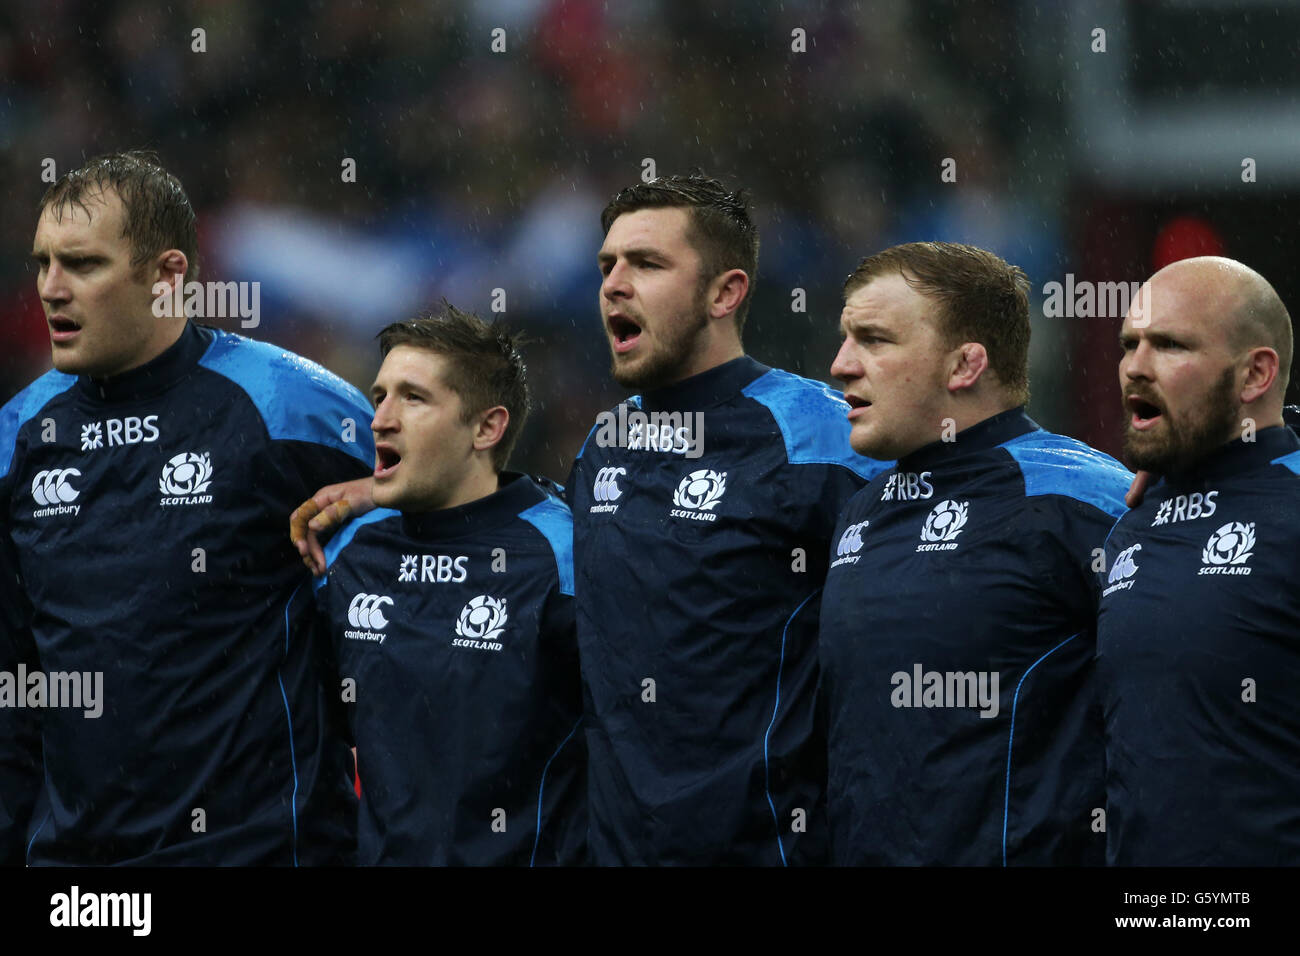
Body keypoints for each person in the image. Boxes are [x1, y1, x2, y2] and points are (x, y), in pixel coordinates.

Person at [293, 174, 887, 865]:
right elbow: (539, 537)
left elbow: (914, 613)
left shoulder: (822, 439)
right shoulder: (608, 442)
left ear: (725, 293)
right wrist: (407, 488)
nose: (614, 283)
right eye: (607, 264)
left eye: (648, 264)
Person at [0, 151, 372, 865]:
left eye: (82, 264)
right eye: (41, 262)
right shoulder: (19, 439)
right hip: (83, 885)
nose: (50, 289)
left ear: (168, 277)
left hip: (263, 854)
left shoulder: (296, 413)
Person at [819, 241, 1131, 865]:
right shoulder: (861, 508)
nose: (840, 365)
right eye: (845, 338)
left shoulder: (1082, 499)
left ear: (965, 365)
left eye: (874, 339)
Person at [312, 306, 585, 865]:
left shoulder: (566, 554)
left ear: (487, 428)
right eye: (380, 394)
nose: (381, 418)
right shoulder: (348, 549)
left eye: (413, 398)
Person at [1098, 255, 1300, 865]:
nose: (1135, 367)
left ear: (1254, 374)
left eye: (1169, 345)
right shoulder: (1130, 518)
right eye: (1128, 344)